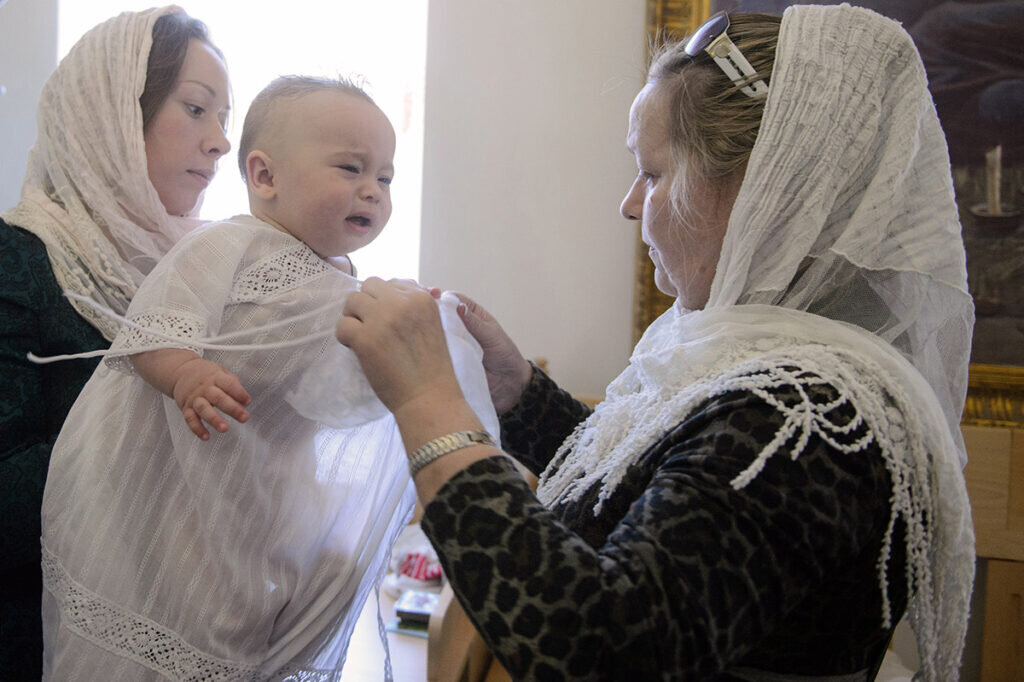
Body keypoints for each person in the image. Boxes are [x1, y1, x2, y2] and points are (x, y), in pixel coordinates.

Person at [335, 5, 976, 680]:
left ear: (758, 191)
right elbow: (664, 495)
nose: (630, 203)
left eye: (654, 171)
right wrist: (519, 394)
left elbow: (603, 646)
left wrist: (432, 407)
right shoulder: (756, 366)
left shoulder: (806, 421)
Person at [39, 75, 498, 680]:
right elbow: (149, 333)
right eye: (350, 169)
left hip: (261, 509)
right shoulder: (227, 246)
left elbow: (334, 400)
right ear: (264, 177)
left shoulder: (344, 283)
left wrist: (408, 341)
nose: (372, 191)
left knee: (238, 630)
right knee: (170, 617)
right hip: (181, 482)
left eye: (384, 178)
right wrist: (185, 376)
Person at [0, 8, 230, 677]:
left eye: (225, 116)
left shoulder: (201, 272)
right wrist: (159, 400)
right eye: (196, 109)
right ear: (111, 114)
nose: (219, 141)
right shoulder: (18, 258)